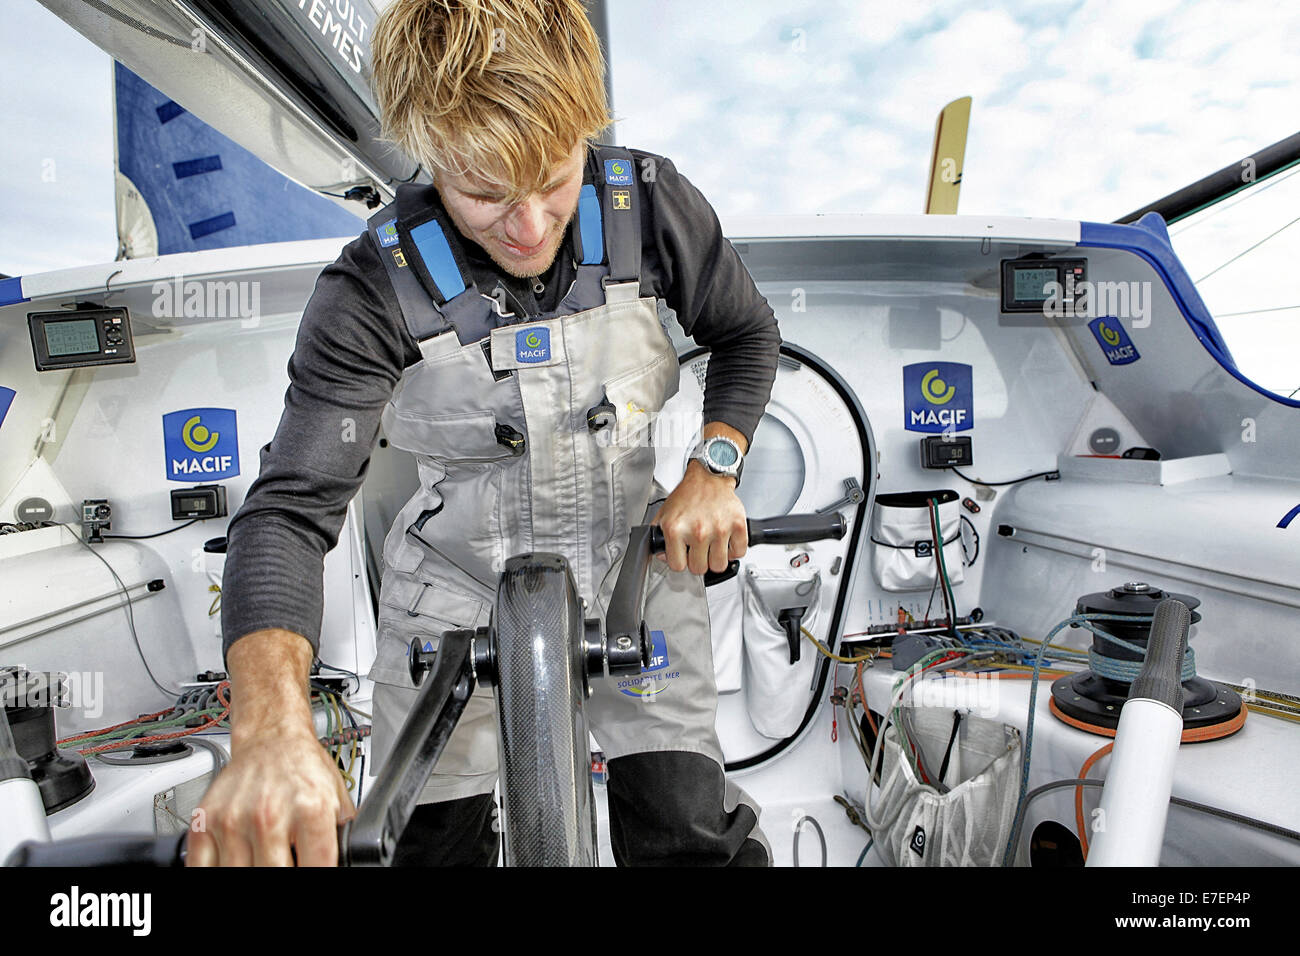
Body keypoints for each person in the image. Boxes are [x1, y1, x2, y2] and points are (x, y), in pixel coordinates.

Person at [189, 0, 781, 867]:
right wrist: (271, 732)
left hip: (633, 573)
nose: (530, 229)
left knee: (686, 834)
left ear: (586, 123)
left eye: (552, 178)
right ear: (430, 153)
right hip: (452, 597)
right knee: (430, 849)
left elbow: (747, 334)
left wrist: (715, 463)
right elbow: (288, 512)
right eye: (485, 194)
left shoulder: (653, 210)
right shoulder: (368, 291)